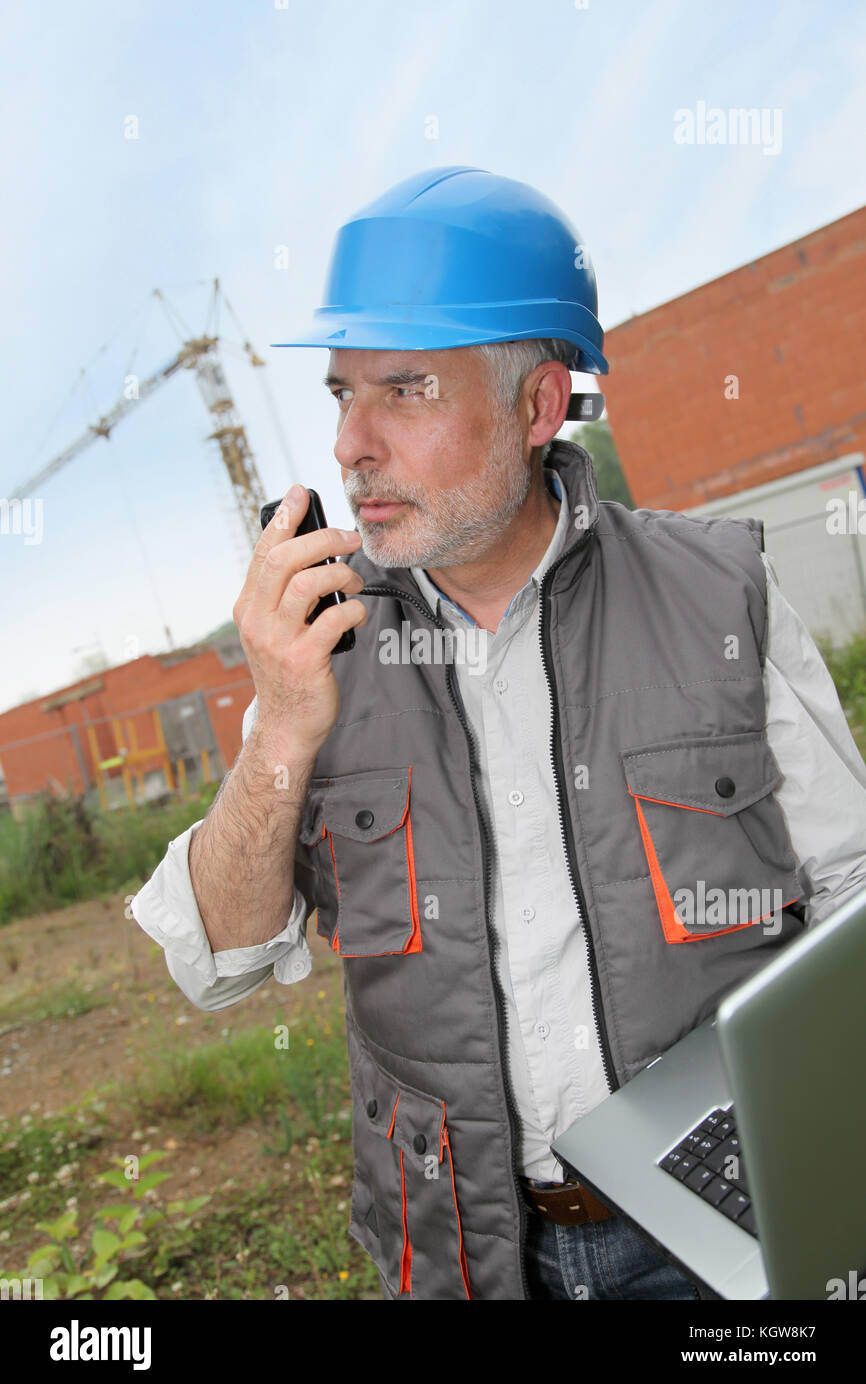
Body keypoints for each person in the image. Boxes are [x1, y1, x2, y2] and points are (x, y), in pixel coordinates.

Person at [131, 166, 866, 1301]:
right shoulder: (313, 653)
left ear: (535, 408)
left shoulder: (721, 597)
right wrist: (281, 726)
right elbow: (217, 961)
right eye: (340, 396)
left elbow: (853, 895)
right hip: (460, 1255)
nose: (350, 446)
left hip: (720, 1232)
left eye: (404, 389)